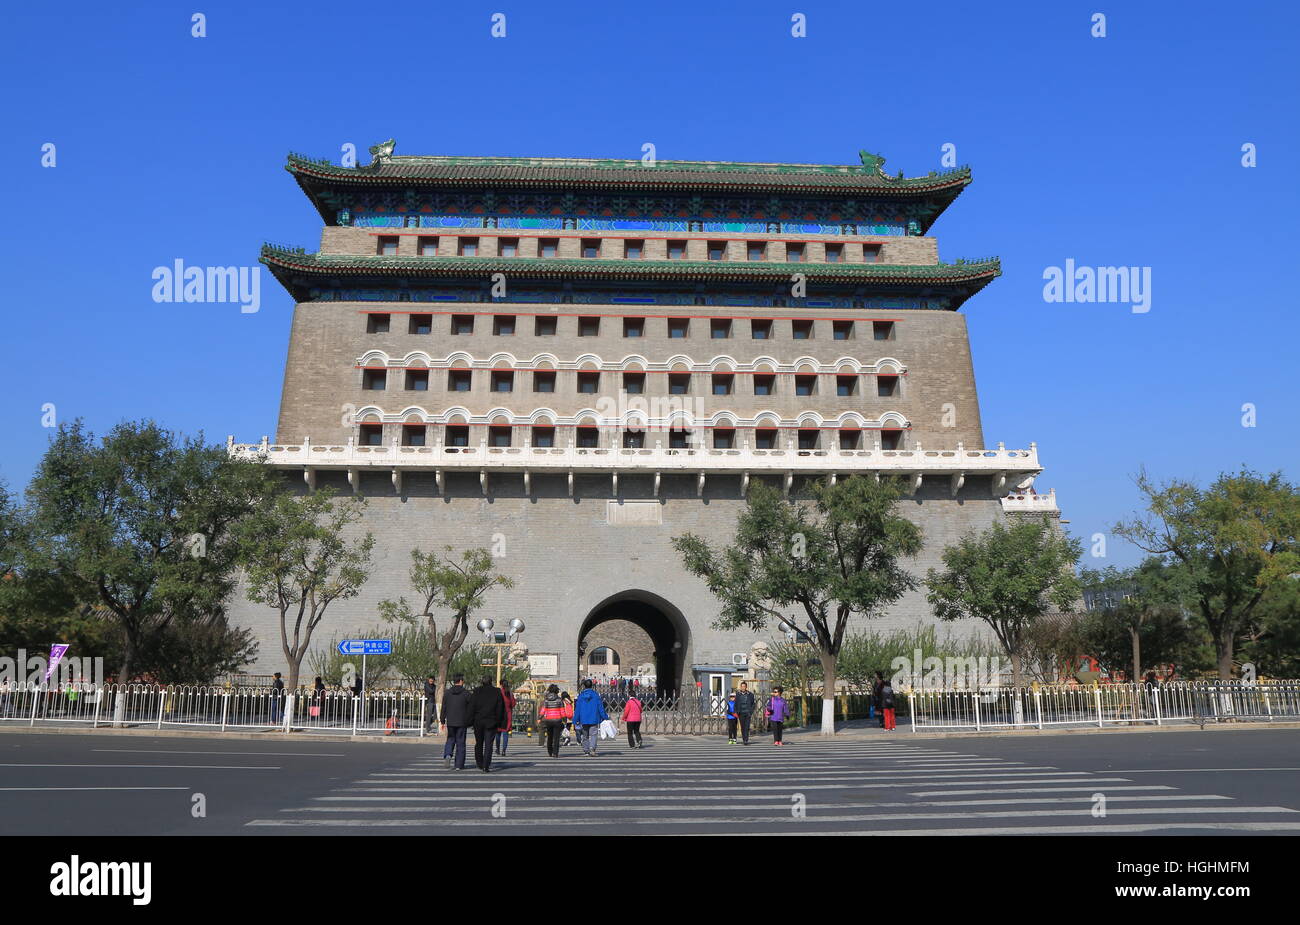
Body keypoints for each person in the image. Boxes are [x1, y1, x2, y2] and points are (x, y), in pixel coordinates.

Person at [469, 675, 507, 772]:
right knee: (489, 744)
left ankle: (479, 762)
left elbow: (471, 706)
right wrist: (499, 721)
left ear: (482, 682)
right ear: (491, 682)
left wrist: (470, 720)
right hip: (491, 721)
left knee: (479, 743)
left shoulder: (476, 691)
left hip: (478, 721)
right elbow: (500, 708)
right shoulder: (497, 692)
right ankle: (486, 765)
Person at [440, 675, 471, 770]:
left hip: (451, 721)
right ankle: (459, 765)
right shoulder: (466, 693)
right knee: (461, 743)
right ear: (461, 681)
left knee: (450, 739)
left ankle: (448, 754)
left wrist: (442, 720)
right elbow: (471, 707)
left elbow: (443, 708)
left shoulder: (447, 693)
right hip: (462, 722)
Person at [572, 679, 609, 757]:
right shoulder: (596, 695)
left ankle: (586, 750)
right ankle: (592, 748)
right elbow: (600, 707)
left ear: (584, 686)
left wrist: (575, 719)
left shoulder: (581, 696)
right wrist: (604, 716)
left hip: (583, 718)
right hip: (594, 718)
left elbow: (577, 709)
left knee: (585, 735)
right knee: (593, 734)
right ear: (592, 686)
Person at [539, 684, 566, 757]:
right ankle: (555, 753)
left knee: (549, 736)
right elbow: (562, 711)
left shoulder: (546, 700)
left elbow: (543, 710)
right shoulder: (559, 700)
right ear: (557, 691)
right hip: (557, 720)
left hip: (548, 720)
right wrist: (564, 719)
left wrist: (540, 717)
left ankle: (550, 751)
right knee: (556, 737)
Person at [496, 679, 516, 756]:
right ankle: (504, 751)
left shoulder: (498, 692)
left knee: (497, 733)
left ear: (501, 684)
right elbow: (513, 704)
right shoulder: (510, 693)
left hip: (499, 715)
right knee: (505, 734)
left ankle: (497, 749)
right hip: (507, 715)